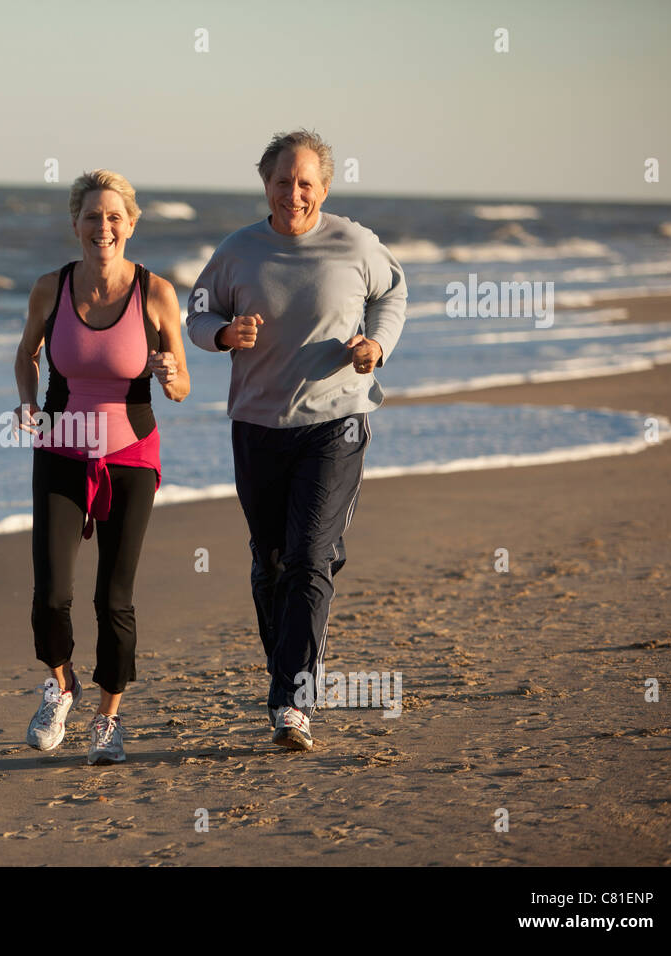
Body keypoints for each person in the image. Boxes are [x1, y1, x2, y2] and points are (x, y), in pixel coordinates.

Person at [185, 130, 407, 751]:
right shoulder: (237, 251)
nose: (294, 193)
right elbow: (195, 314)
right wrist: (225, 334)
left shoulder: (356, 243)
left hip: (335, 422)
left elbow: (392, 293)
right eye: (283, 181)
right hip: (257, 426)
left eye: (306, 182)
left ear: (325, 188)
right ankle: (292, 671)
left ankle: (290, 703)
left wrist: (378, 345)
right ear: (266, 185)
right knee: (273, 561)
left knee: (309, 557)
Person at [12, 169, 189, 764]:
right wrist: (27, 402)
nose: (103, 227)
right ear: (75, 224)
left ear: (131, 225)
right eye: (92, 216)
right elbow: (26, 355)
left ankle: (109, 719)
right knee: (50, 593)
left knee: (113, 596)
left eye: (115, 217)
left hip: (131, 455)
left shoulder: (157, 292)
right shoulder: (49, 288)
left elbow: (183, 383)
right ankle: (62, 687)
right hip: (61, 446)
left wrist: (171, 376)